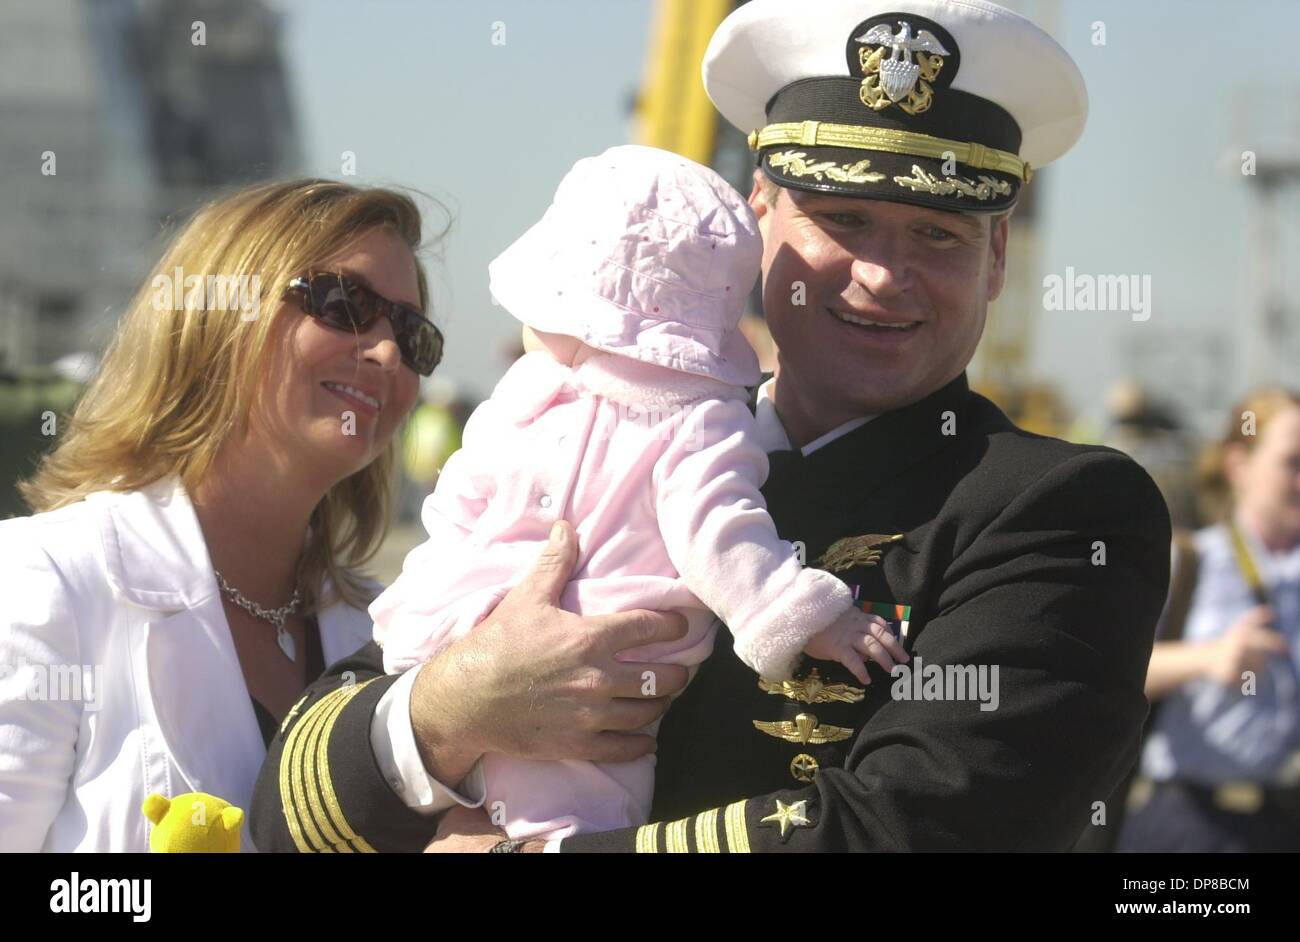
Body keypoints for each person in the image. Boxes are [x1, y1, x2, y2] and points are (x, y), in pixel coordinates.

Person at [250, 0, 1171, 854]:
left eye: (940, 235)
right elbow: (288, 809)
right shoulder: (594, 440)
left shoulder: (1058, 510)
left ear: (998, 256)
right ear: (756, 217)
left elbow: (920, 825)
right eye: (843, 218)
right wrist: (449, 710)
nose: (886, 275)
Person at [371, 145, 905, 841]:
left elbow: (457, 507)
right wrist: (810, 617)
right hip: (581, 683)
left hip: (516, 655)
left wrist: (425, 613)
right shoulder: (690, 417)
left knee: (505, 812)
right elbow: (722, 536)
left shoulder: (541, 395)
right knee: (567, 806)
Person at [0, 179, 443, 851]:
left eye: (413, 335)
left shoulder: (392, 627)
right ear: (219, 314)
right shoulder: (48, 581)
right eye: (346, 304)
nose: (386, 352)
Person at [1117, 389, 1300, 852]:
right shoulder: (1188, 562)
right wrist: (1206, 659)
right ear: (1239, 466)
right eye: (1292, 463)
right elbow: (1106, 674)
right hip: (1188, 823)